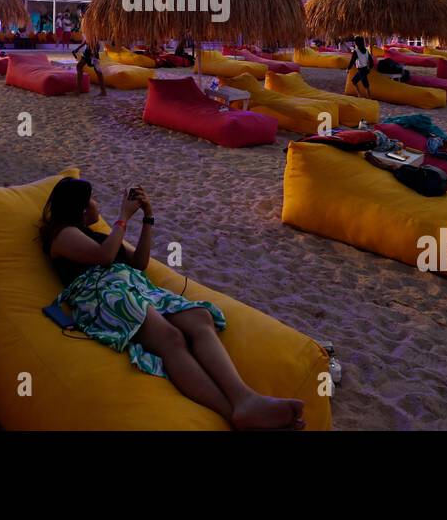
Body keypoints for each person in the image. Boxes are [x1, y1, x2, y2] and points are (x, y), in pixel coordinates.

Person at [40, 177, 305, 429]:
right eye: (92, 198)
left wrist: (147, 217)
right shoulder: (63, 234)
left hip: (131, 284)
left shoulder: (94, 233)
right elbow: (105, 256)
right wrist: (123, 216)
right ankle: (233, 411)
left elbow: (139, 263)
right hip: (103, 295)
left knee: (199, 317)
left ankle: (244, 397)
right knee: (171, 338)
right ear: (81, 208)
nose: (97, 203)